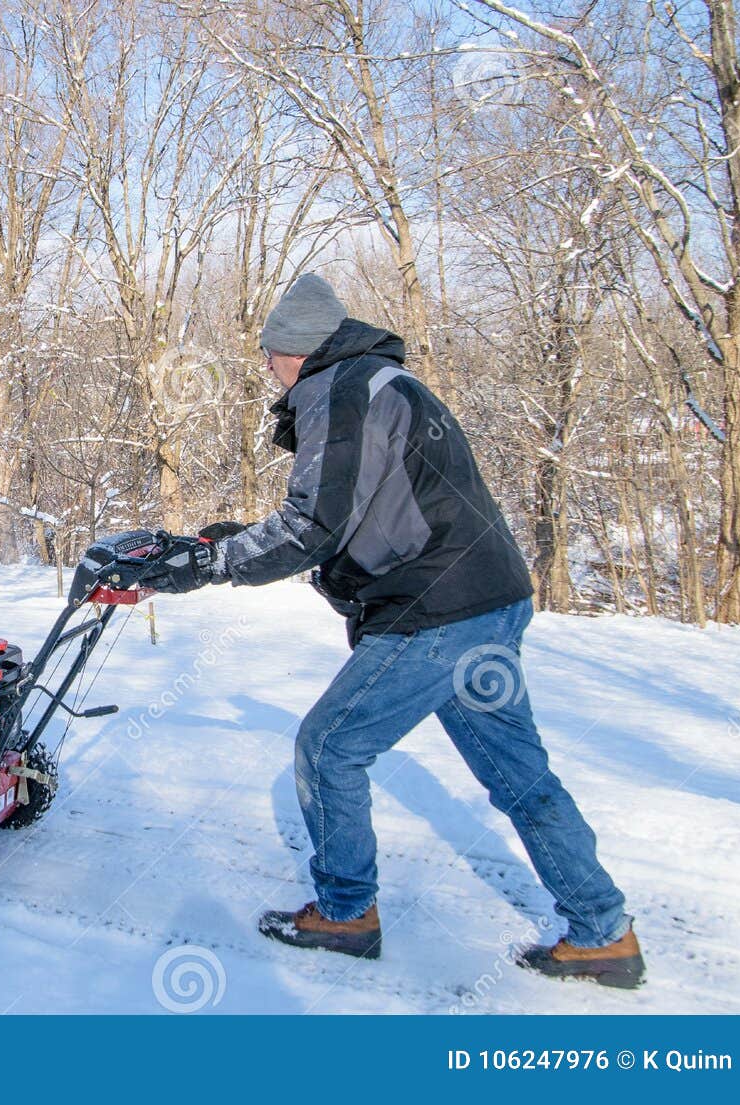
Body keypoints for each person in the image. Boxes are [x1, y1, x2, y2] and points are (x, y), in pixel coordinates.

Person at [139, 273, 643, 989]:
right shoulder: (379, 383)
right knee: (522, 780)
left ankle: (346, 912)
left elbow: (313, 526)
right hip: (488, 599)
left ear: (298, 349)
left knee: (329, 747)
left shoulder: (340, 390)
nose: (268, 370)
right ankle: (605, 933)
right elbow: (358, 529)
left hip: (435, 613)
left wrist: (215, 561)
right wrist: (242, 542)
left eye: (271, 354)